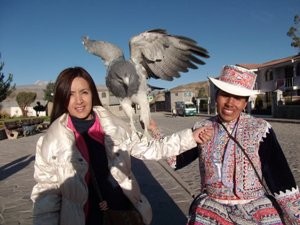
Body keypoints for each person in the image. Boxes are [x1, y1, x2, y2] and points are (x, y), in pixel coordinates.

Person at [30, 66, 213, 225]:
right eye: (70, 94)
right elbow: (46, 193)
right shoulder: (51, 141)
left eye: (84, 92)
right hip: (82, 218)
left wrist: (190, 137)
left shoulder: (114, 126)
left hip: (120, 210)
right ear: (62, 98)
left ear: (92, 93)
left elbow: (150, 148)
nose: (78, 100)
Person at [170, 65, 300, 225]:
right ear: (216, 96)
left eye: (238, 97)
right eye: (225, 95)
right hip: (211, 212)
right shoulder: (201, 127)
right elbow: (176, 159)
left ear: (245, 103)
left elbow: (280, 176)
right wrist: (151, 131)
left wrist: (295, 217)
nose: (230, 103)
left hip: (255, 212)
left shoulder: (260, 129)